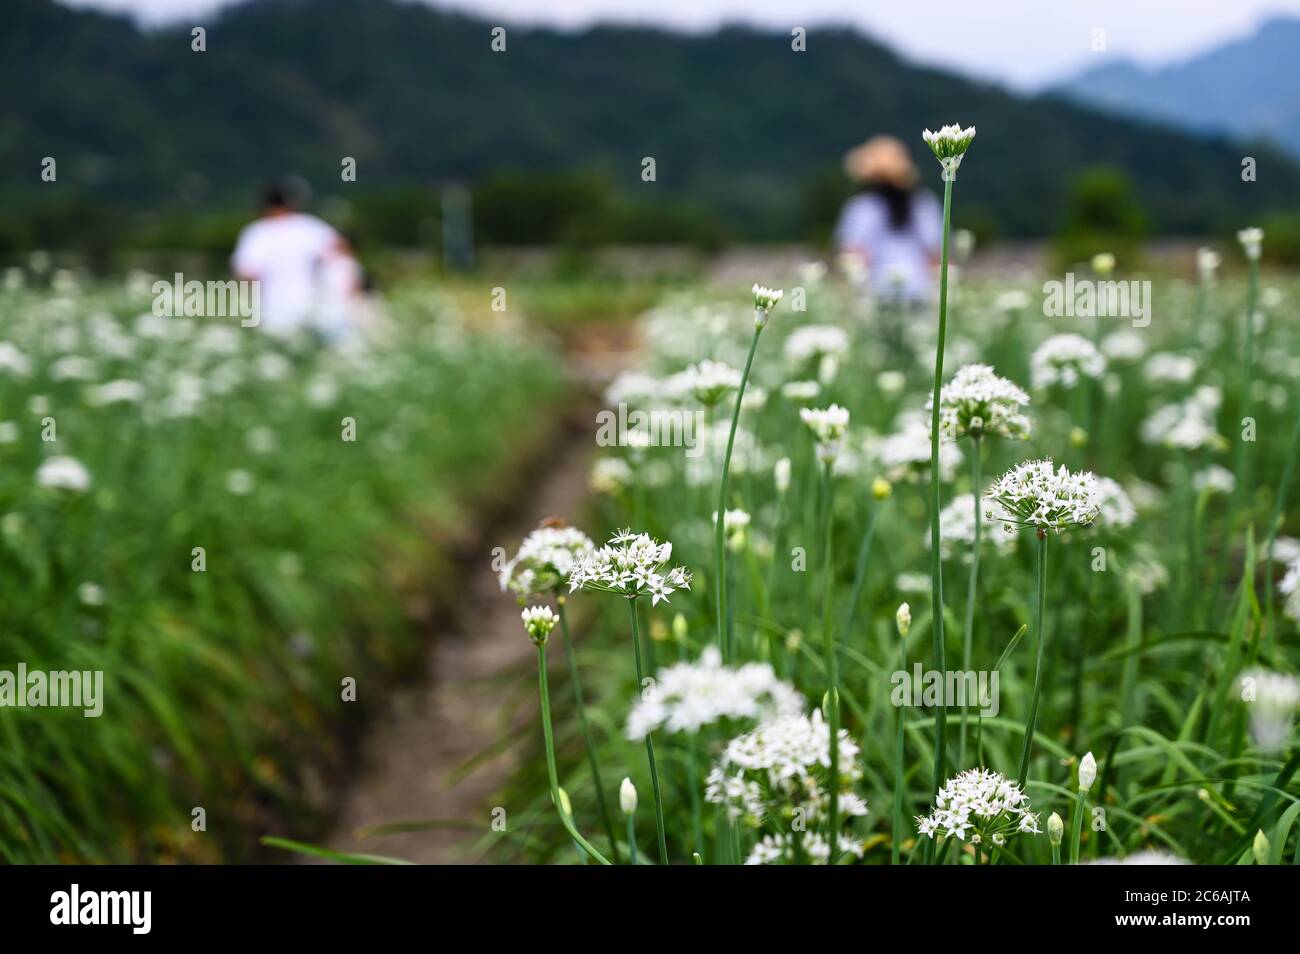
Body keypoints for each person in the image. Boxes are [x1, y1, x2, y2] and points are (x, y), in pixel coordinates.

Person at [231, 183, 359, 336]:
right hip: (315, 313)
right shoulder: (309, 226)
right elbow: (341, 254)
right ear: (290, 204)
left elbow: (246, 275)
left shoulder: (256, 233)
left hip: (273, 313)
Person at [834, 136, 943, 304]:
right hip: (919, 291)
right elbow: (937, 253)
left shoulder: (862, 207)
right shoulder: (924, 203)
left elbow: (852, 256)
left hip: (878, 292)